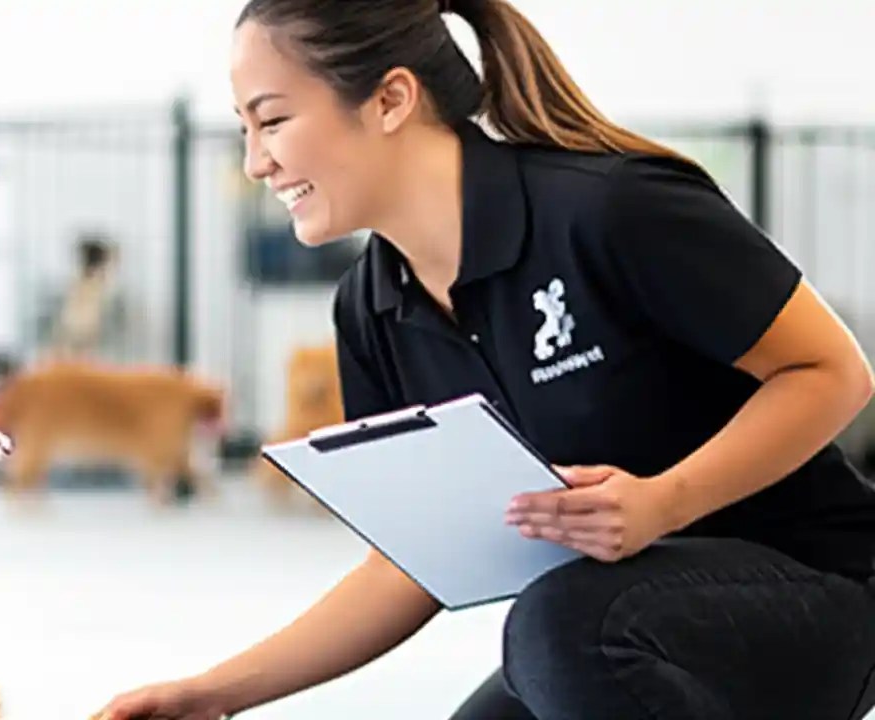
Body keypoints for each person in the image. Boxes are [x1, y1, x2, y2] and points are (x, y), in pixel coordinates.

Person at [93, 0, 875, 718]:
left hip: (817, 599)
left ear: (391, 100)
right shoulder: (371, 311)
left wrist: (663, 503)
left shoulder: (610, 211)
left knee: (562, 623)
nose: (255, 162)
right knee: (554, 636)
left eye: (272, 121)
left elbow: (833, 372)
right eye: (243, 129)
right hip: (618, 626)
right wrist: (210, 695)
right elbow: (411, 563)